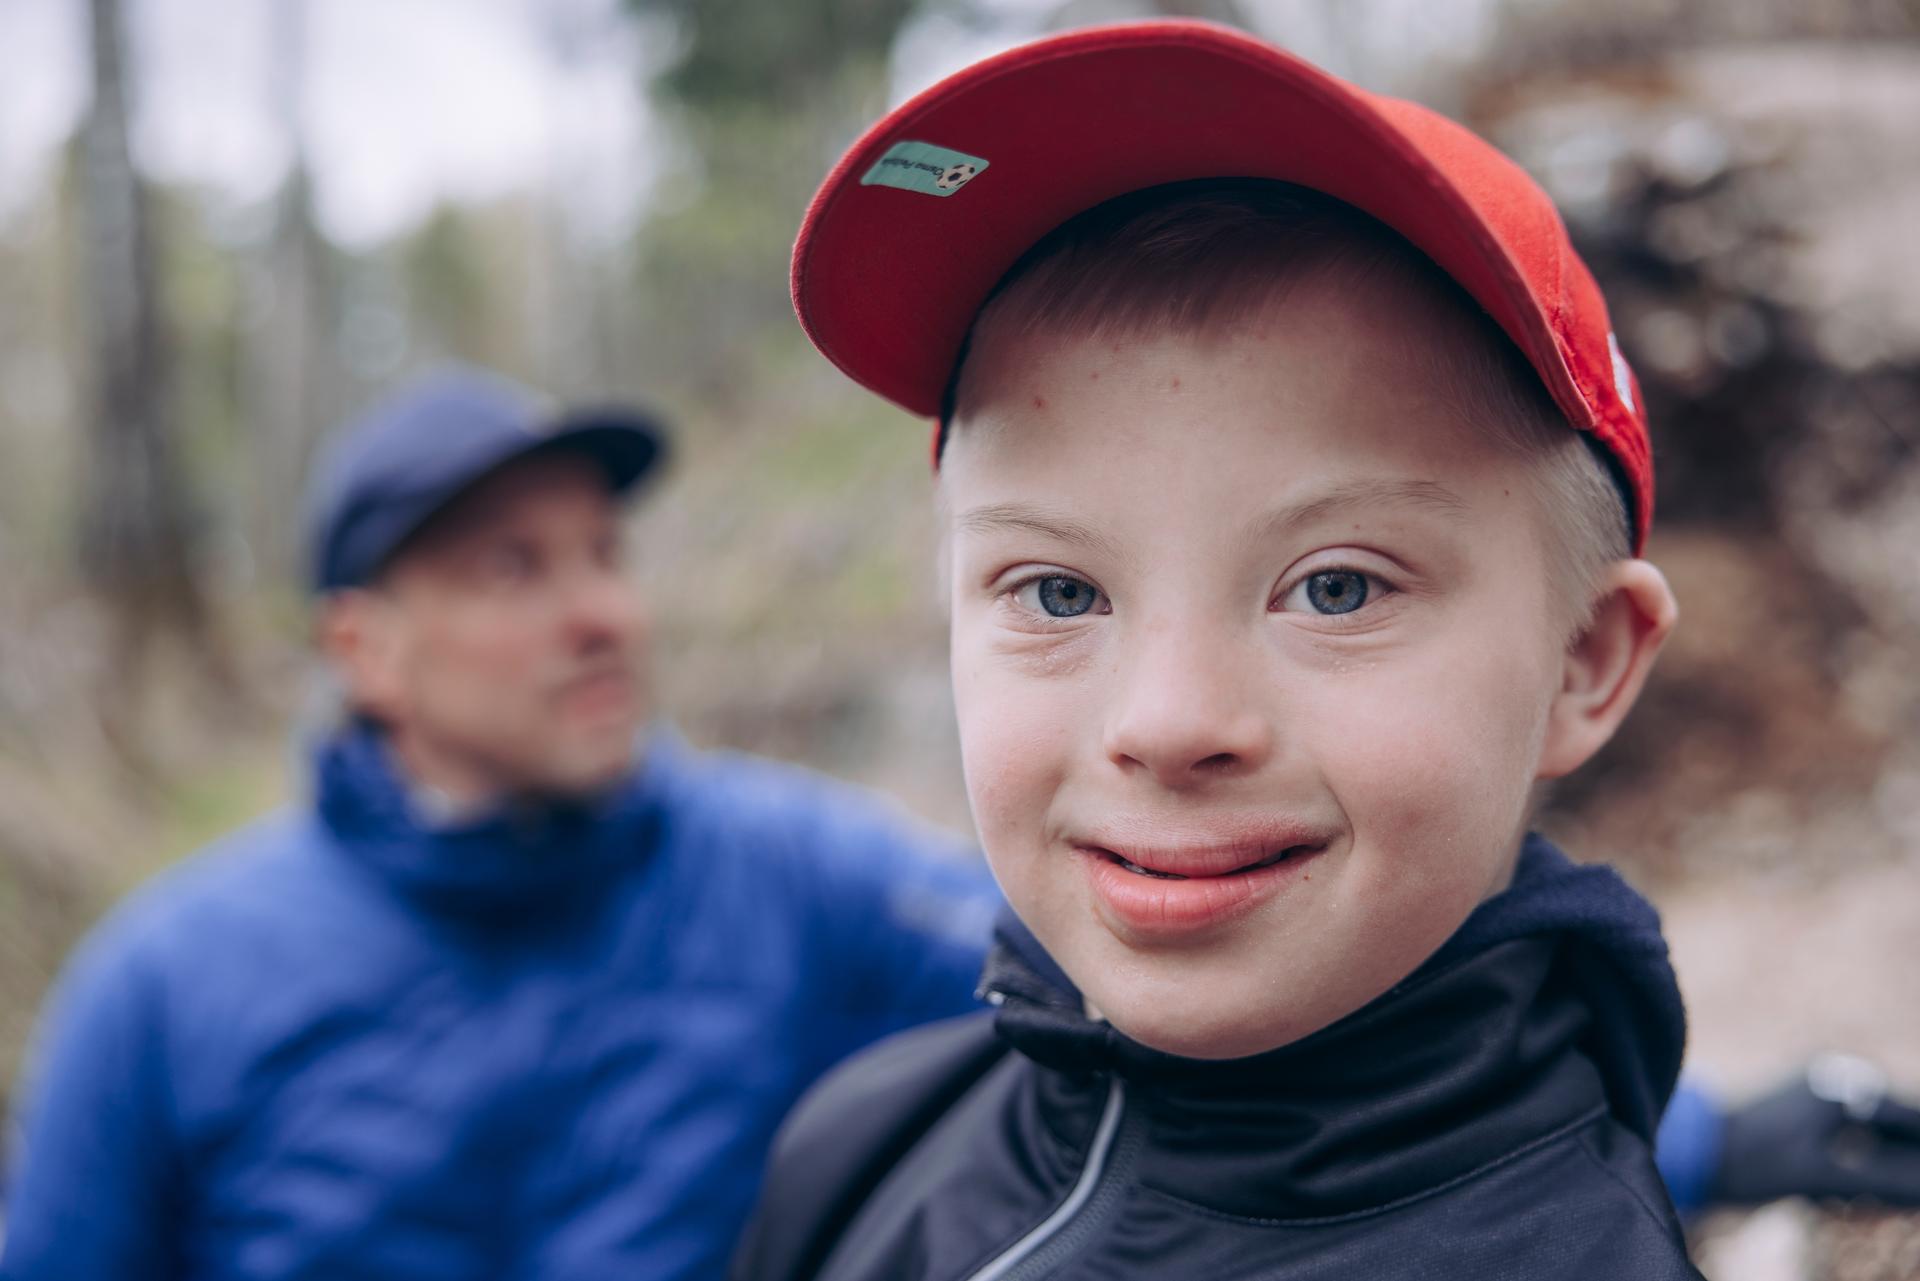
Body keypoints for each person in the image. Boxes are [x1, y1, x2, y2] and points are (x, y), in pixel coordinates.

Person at [735, 21, 1709, 1279]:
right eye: (1061, 593)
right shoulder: (864, 1142)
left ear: (1584, 662)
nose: (1169, 720)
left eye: (1337, 589)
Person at [0, 368, 999, 1281]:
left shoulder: (791, 873)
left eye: (605, 552)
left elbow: (1058, 984)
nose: (604, 615)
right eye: (513, 567)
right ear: (365, 650)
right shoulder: (162, 989)